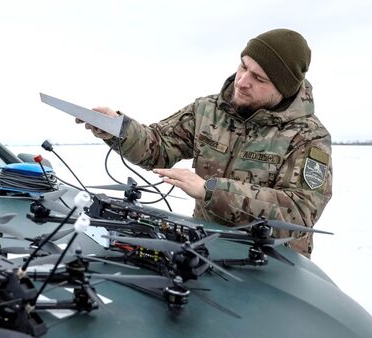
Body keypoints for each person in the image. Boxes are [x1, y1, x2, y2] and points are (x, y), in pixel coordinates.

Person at [77, 28, 332, 258]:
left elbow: (299, 212)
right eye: (243, 67)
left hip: (273, 264)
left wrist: (211, 190)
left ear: (284, 89)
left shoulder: (309, 137)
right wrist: (118, 129)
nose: (242, 81)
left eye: (259, 78)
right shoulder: (208, 110)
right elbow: (160, 146)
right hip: (207, 249)